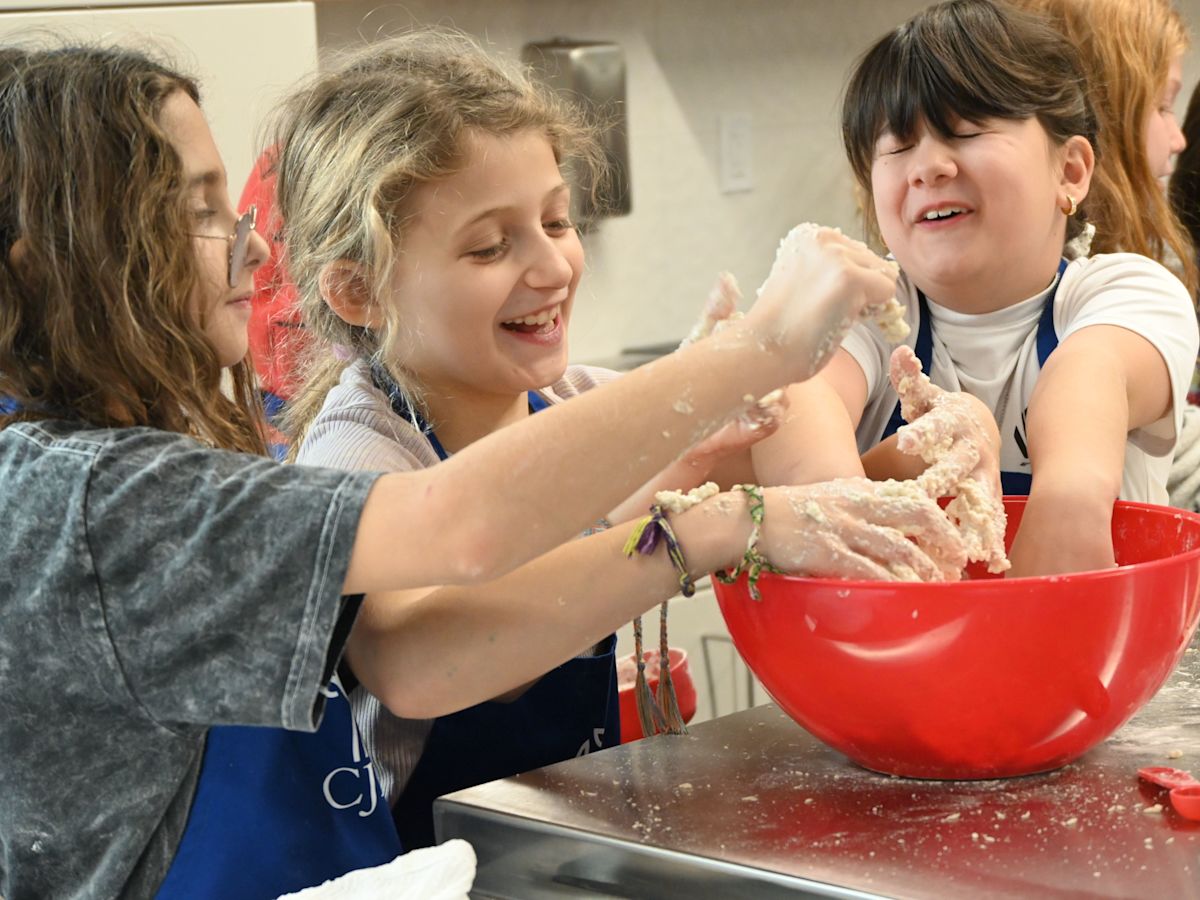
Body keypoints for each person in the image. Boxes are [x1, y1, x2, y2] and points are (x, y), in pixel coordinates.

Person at [0, 42, 966, 900]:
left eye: (558, 221)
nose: (251, 244)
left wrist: (904, 476)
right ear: (71, 255)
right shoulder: (92, 497)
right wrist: (743, 396)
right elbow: (440, 588)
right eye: (200, 210)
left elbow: (538, 510)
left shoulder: (133, 464)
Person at [762, 0, 1199, 578]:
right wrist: (838, 511)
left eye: (965, 131)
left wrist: (1067, 500)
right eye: (896, 147)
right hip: (890, 659)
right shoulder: (867, 313)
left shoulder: (1129, 292)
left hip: (1084, 654)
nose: (927, 167)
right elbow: (802, 396)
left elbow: (1089, 376)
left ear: (1069, 172)